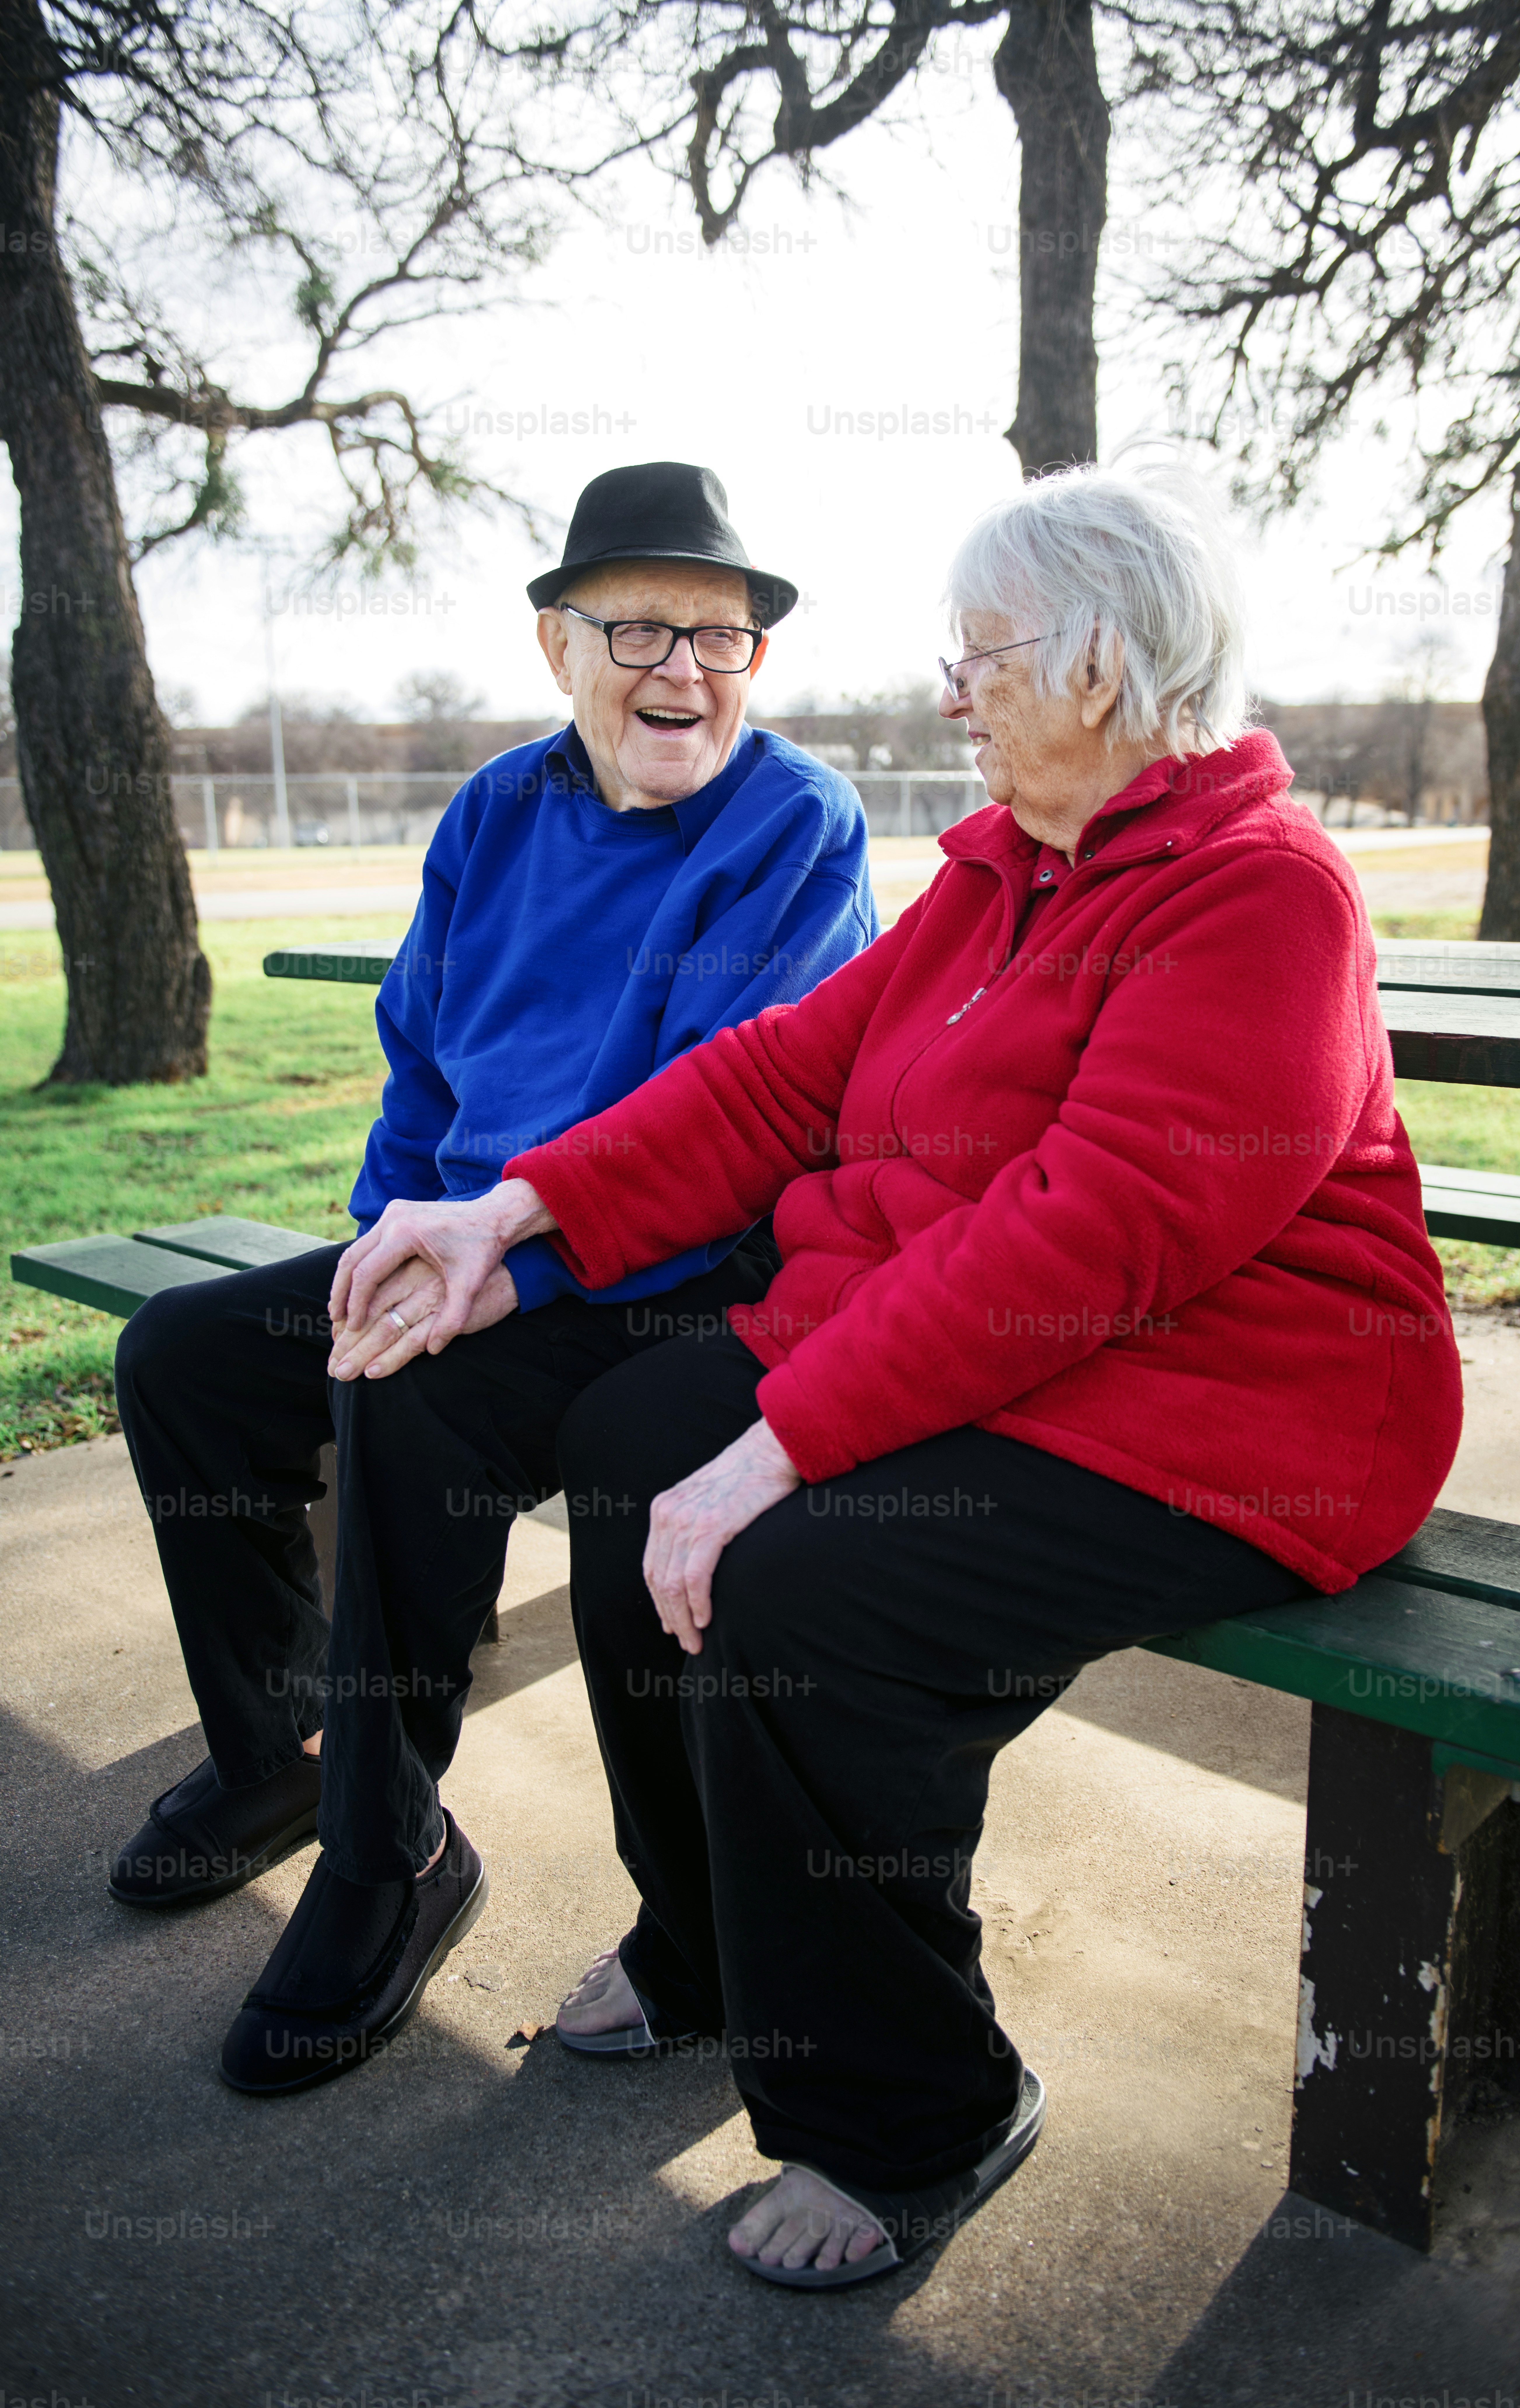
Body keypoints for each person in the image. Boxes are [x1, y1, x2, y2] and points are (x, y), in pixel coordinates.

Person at [330, 464, 1463, 2285]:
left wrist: (785, 1441)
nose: (956, 690)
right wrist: (516, 1211)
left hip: (1245, 1407)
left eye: (985, 654)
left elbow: (1098, 1235)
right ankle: (710, 1948)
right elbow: (780, 1077)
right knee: (630, 1440)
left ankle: (920, 2111)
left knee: (805, 1599)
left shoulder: (1261, 897)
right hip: (1032, 1340)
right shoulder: (1004, 875)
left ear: (1097, 669)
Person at [109, 461, 877, 2097]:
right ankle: (280, 1755)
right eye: (642, 630)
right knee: (187, 1354)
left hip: (664, 1271)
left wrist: (489, 1286)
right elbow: (421, 1069)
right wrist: (384, 1245)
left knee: (416, 1403)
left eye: (724, 638)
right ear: (556, 647)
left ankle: (388, 1859)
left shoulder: (796, 825)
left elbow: (734, 1129)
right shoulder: (496, 811)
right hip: (466, 1240)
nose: (686, 672)